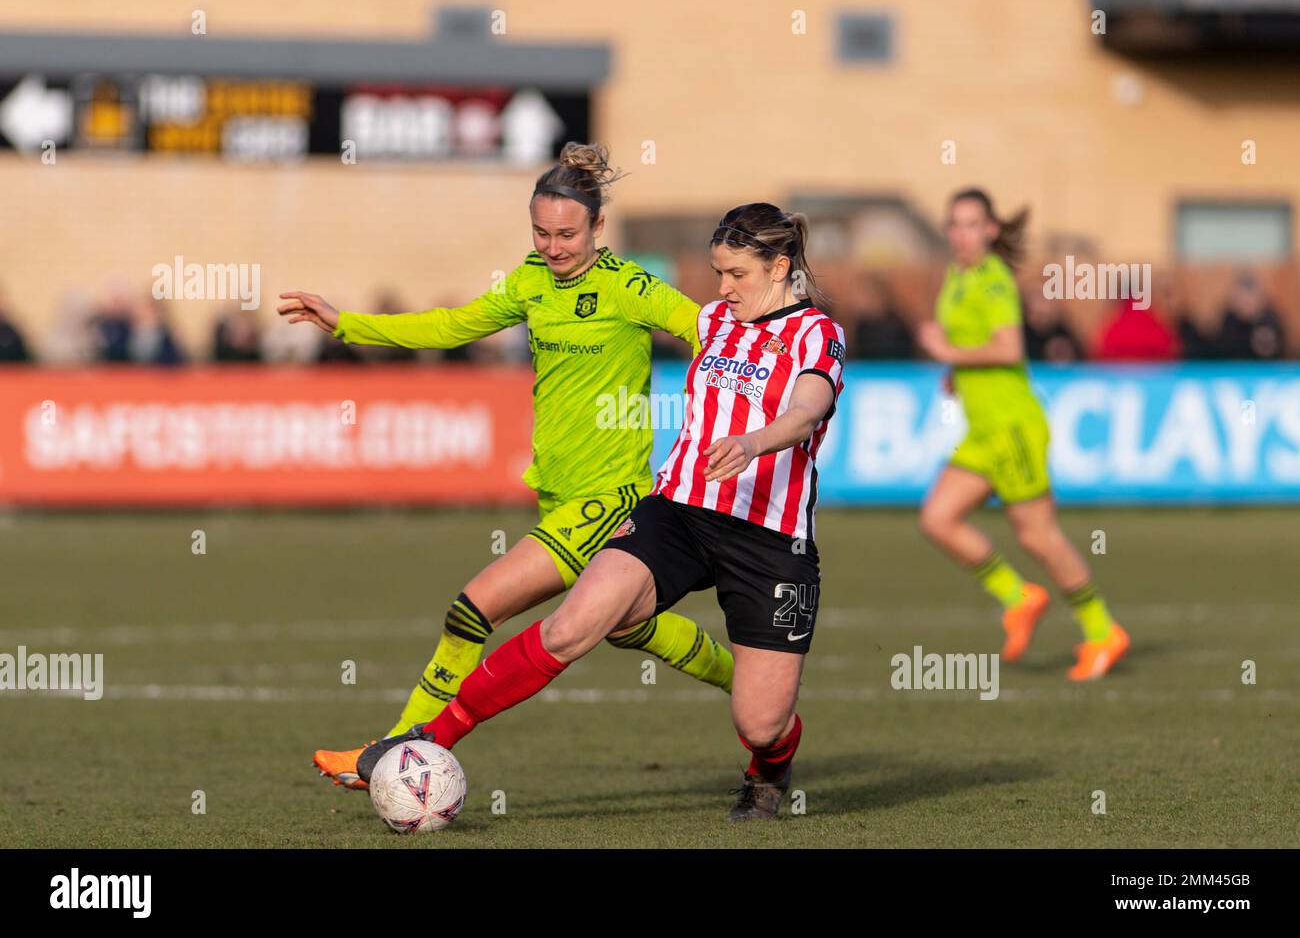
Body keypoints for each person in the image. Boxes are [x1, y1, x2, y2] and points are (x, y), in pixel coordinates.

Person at [354, 202, 846, 822]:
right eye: (718, 272)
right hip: (678, 511)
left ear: (779, 269)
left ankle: (767, 769)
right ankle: (430, 739)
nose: (721, 289)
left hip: (768, 539)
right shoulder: (717, 320)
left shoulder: (817, 333)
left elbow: (807, 407)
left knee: (761, 721)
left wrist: (754, 442)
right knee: (572, 625)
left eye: (736, 274)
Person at [277, 142, 735, 790]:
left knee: (472, 609)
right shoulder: (529, 282)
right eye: (542, 232)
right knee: (630, 627)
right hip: (560, 498)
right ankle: (749, 686)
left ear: (598, 228)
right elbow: (451, 326)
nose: (554, 246)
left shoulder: (631, 289)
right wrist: (347, 323)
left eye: (567, 234)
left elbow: (711, 336)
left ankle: (391, 753)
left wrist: (759, 391)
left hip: (612, 500)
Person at [916, 188, 1129, 680]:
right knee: (937, 517)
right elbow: (978, 347)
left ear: (991, 230)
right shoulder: (956, 276)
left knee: (1039, 537)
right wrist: (958, 375)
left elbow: (1009, 348)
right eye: (954, 224)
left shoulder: (992, 281)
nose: (961, 234)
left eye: (971, 224)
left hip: (1013, 428)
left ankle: (1103, 632)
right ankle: (1019, 597)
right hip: (983, 431)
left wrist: (947, 351)